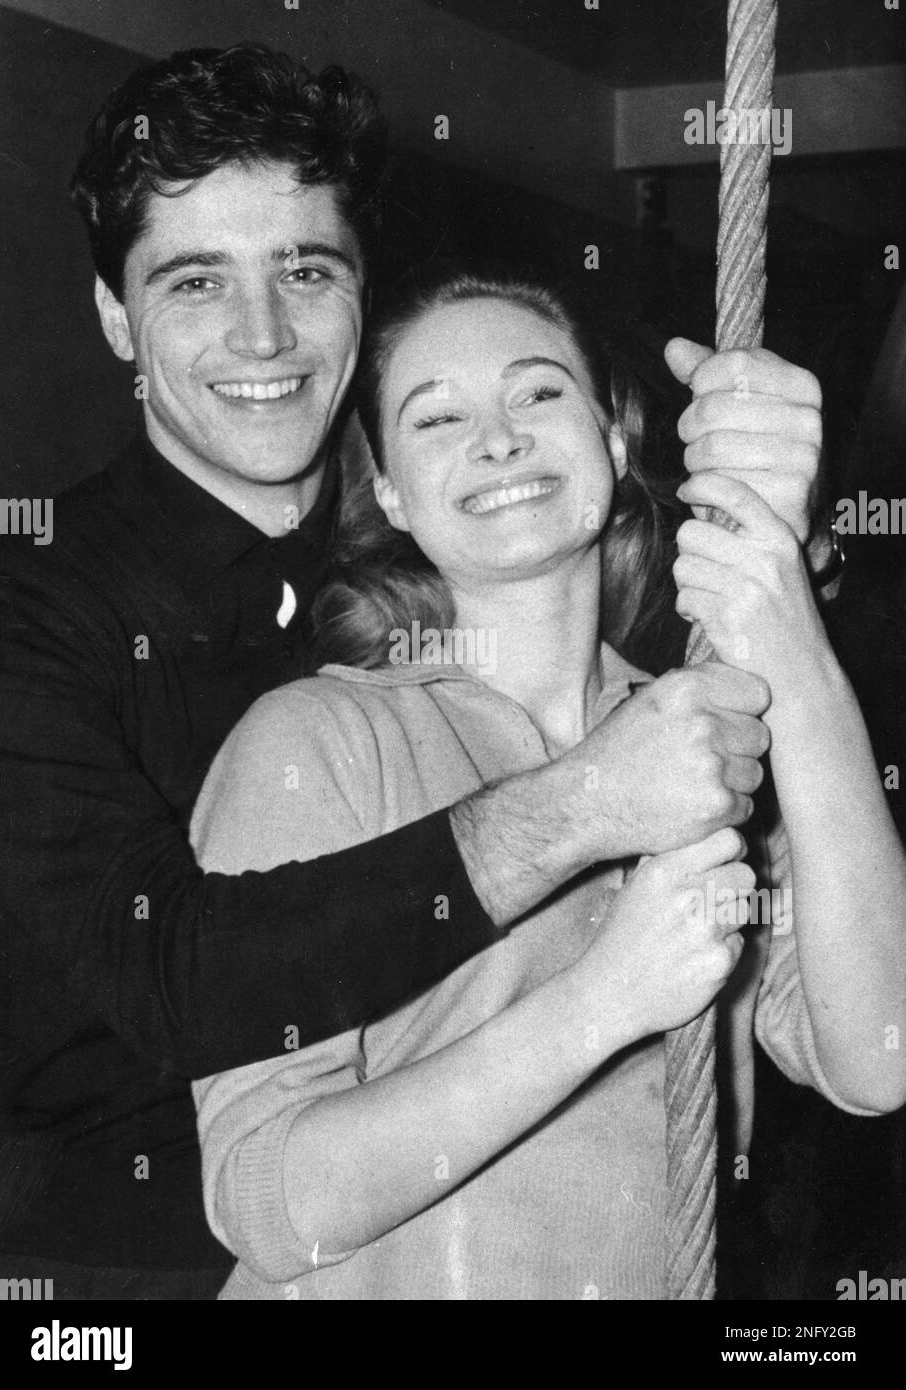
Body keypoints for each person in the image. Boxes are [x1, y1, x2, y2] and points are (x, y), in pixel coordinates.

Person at [0, 41, 819, 1299]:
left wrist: (780, 536)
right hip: (116, 1260)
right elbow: (177, 972)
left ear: (362, 293)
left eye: (306, 269)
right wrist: (586, 805)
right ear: (115, 318)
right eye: (195, 280)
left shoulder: (442, 521)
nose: (262, 334)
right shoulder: (23, 608)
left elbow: (643, 652)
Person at [192, 262, 906, 1301]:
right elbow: (265, 1201)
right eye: (437, 420)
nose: (498, 438)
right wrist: (603, 999)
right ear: (387, 488)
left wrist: (783, 619)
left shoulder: (706, 738)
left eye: (537, 392)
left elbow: (877, 1056)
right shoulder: (317, 741)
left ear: (614, 445)